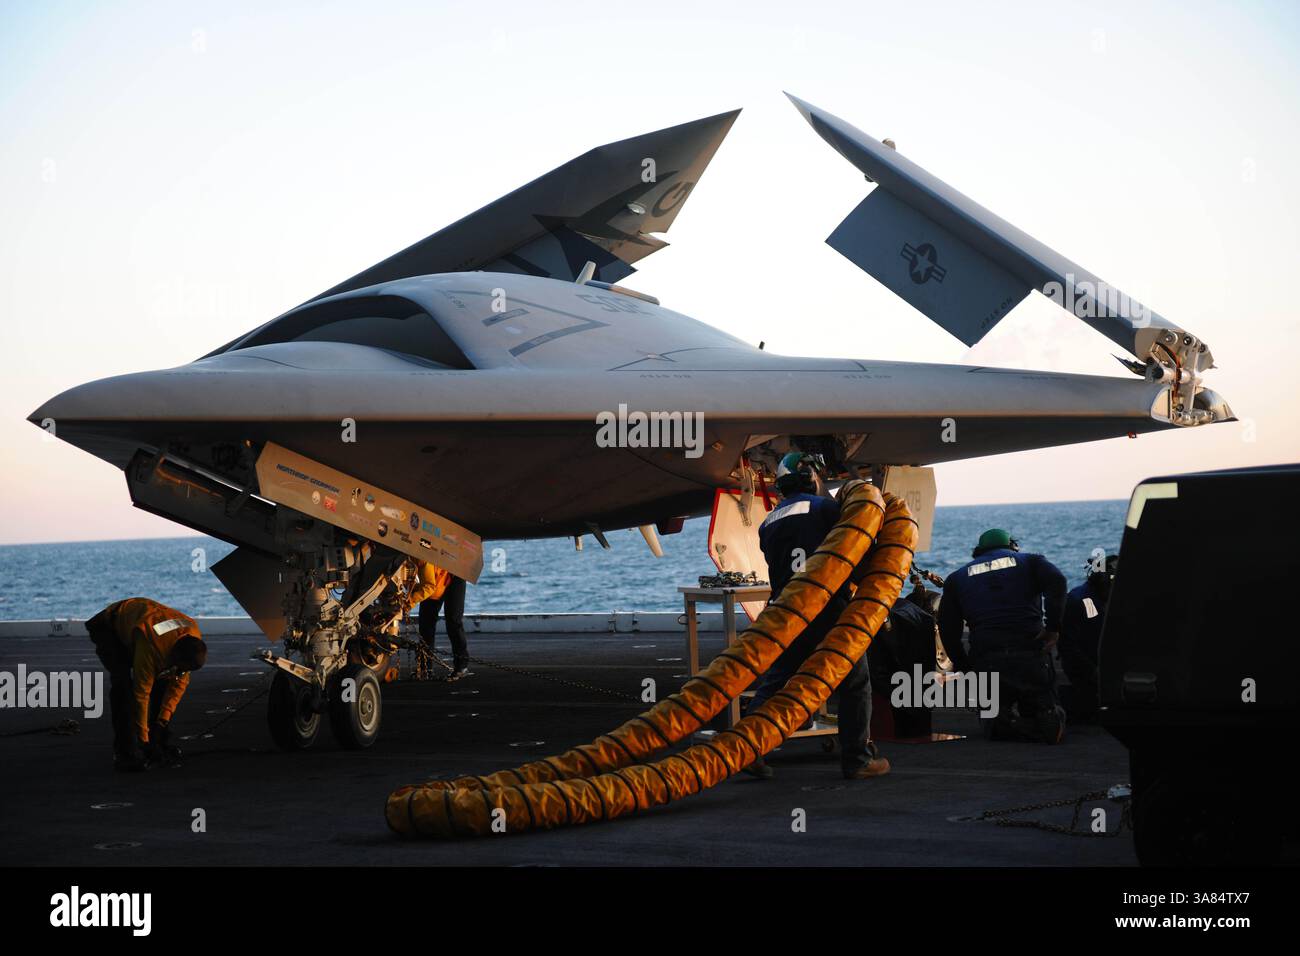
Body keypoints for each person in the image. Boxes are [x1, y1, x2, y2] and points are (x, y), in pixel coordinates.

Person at [744, 452, 890, 781]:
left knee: (778, 681)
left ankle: (749, 749)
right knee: (855, 683)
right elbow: (854, 544)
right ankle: (858, 759)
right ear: (811, 478)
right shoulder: (826, 509)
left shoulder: (768, 522)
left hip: (786, 612)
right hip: (827, 608)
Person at [937, 529, 1068, 743]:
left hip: (987, 656)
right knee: (1040, 696)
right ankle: (1044, 713)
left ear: (977, 552)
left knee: (993, 714)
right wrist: (1053, 627)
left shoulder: (957, 578)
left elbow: (948, 628)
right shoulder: (1032, 561)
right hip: (1030, 650)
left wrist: (964, 666)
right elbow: (1059, 582)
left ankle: (1004, 721)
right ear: (1013, 546)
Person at [84, 597, 208, 771]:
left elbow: (178, 685)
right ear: (173, 656)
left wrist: (161, 723)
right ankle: (125, 754)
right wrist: (144, 741)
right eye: (179, 668)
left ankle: (160, 742)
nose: (180, 673)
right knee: (124, 689)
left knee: (164, 681)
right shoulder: (151, 645)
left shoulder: (192, 636)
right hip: (108, 626)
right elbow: (141, 694)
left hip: (141, 625)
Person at [1059, 549, 1118, 723]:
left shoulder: (1109, 598)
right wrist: (1092, 670)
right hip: (1086, 665)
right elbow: (1068, 646)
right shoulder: (1079, 600)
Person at [413, 562, 471, 681]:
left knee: (453, 621)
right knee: (426, 623)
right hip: (434, 574)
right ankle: (425, 668)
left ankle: (461, 666)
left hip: (455, 575)